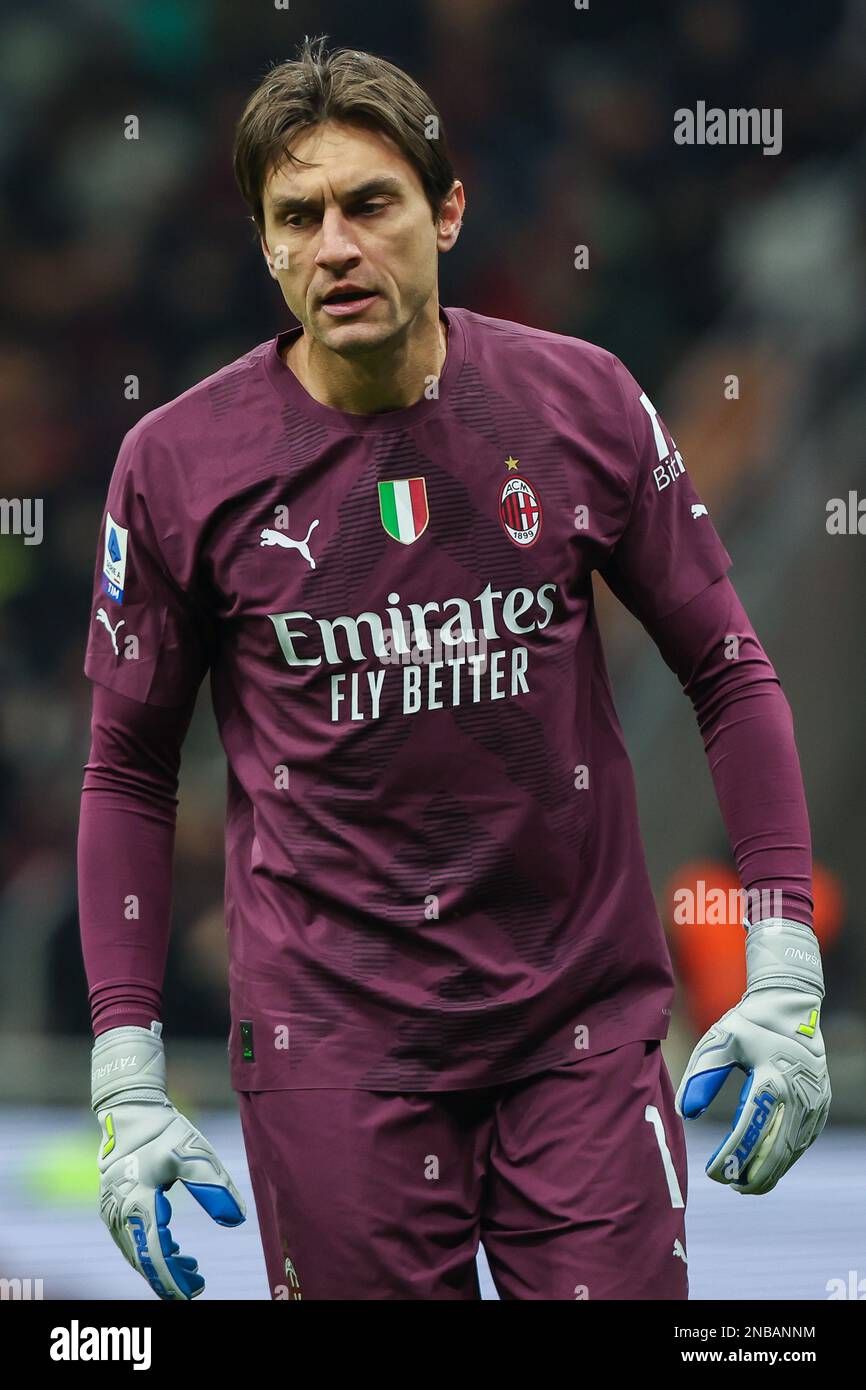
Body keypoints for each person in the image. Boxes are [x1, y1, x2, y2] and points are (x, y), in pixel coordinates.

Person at [79, 36, 830, 1302]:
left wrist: (782, 963)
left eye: (369, 204)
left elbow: (729, 669)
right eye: (295, 215)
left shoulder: (580, 402)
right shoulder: (174, 465)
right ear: (262, 243)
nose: (333, 246)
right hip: (330, 1052)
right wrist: (125, 1073)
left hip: (575, 1033)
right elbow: (125, 768)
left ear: (446, 208)